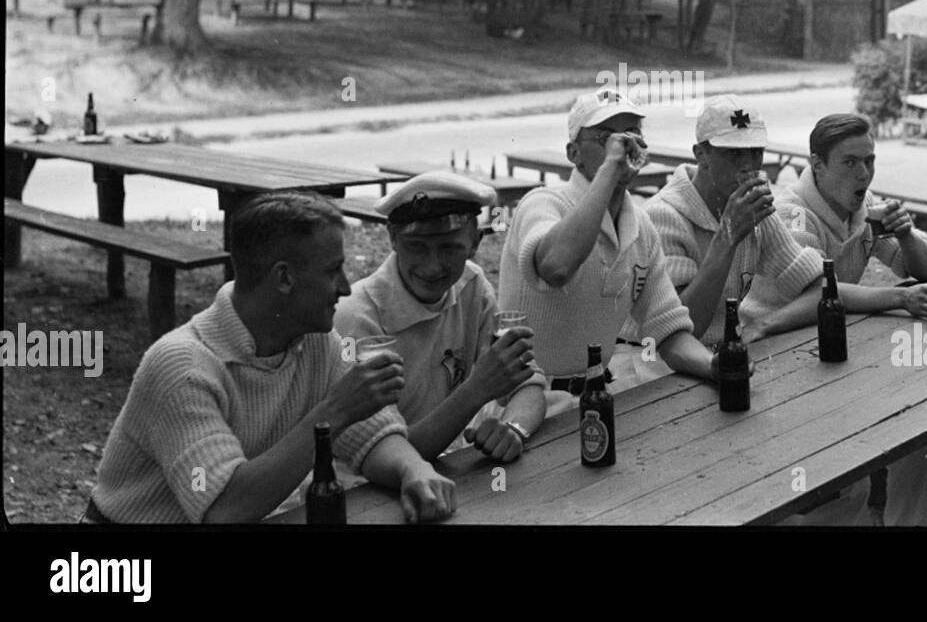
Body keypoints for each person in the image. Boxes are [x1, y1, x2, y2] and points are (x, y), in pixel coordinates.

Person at [88, 191, 456, 524]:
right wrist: (335, 412)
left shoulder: (315, 341)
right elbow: (226, 510)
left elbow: (371, 437)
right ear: (283, 278)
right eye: (332, 271)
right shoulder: (182, 367)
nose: (345, 287)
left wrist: (413, 469)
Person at [744, 113, 927, 526]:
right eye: (850, 163)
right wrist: (900, 297)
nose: (864, 173)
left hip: (829, 348)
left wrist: (907, 235)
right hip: (768, 355)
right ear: (817, 165)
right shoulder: (792, 213)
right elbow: (824, 287)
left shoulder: (864, 208)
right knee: (843, 463)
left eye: (869, 160)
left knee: (921, 423)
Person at [496, 88, 727, 415]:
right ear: (573, 153)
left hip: (599, 396)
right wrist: (611, 171)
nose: (625, 144)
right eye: (607, 136)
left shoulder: (640, 226)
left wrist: (714, 365)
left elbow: (668, 329)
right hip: (529, 404)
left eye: (634, 133)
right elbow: (556, 267)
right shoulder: (543, 203)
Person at [334, 172, 546, 465]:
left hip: (442, 470)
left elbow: (527, 381)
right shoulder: (356, 316)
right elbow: (391, 454)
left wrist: (513, 429)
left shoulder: (472, 285)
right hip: (363, 490)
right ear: (393, 238)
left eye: (449, 248)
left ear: (474, 243)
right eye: (416, 247)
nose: (432, 267)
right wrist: (477, 389)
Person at [633, 94, 824, 348]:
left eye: (755, 153)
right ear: (701, 154)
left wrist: (765, 324)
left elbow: (819, 287)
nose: (747, 166)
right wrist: (728, 237)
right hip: (650, 363)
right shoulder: (663, 216)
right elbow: (682, 331)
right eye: (733, 154)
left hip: (721, 352)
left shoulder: (752, 210)